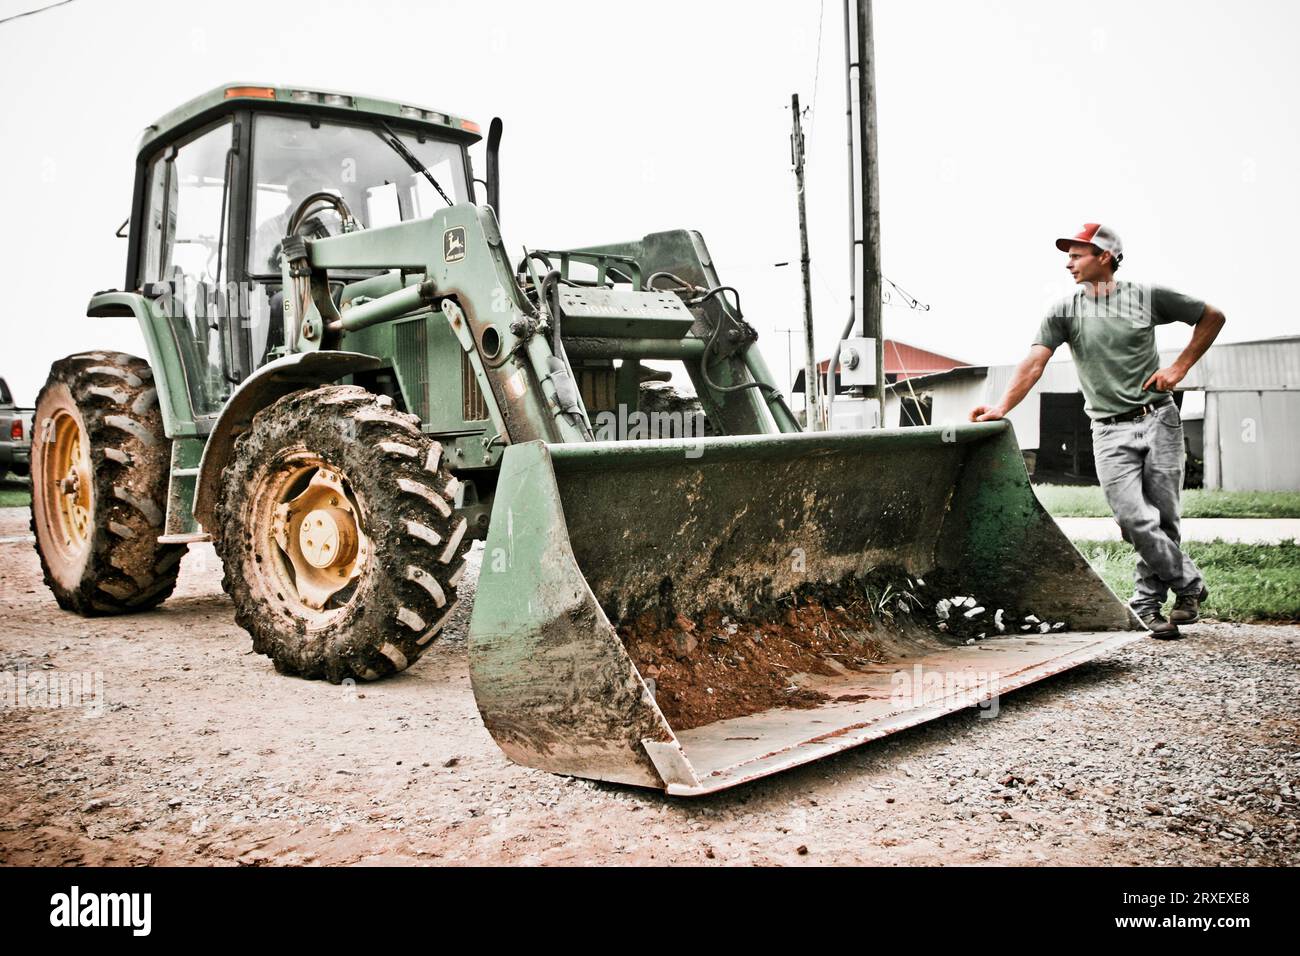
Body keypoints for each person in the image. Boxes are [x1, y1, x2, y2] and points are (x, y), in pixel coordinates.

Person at [970, 223, 1226, 639]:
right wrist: (1001, 407)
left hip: (1159, 418)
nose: (1068, 262)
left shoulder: (1146, 297)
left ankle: (1146, 604)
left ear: (1105, 256)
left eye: (1077, 254)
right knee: (1132, 519)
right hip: (1107, 429)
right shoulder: (1063, 310)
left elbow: (1212, 317)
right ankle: (1190, 584)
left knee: (1164, 519)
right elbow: (1034, 362)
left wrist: (1179, 368)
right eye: (1068, 255)